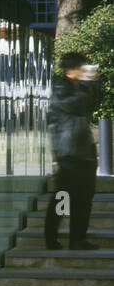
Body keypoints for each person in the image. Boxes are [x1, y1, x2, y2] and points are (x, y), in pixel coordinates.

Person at [44, 51, 101, 251]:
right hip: (68, 153)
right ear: (70, 70)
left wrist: (87, 84)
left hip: (84, 152)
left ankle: (78, 239)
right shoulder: (60, 88)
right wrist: (87, 83)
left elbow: (89, 104)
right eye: (81, 68)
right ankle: (51, 238)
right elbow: (76, 105)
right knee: (63, 197)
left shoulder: (80, 87)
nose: (85, 71)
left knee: (84, 199)